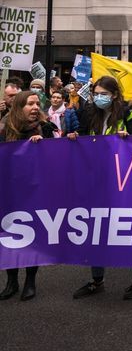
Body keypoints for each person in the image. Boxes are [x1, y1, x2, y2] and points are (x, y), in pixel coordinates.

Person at [72, 76, 132, 300]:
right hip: (97, 183)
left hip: (125, 184)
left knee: (129, 231)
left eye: (103, 94)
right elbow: (86, 144)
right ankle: (97, 280)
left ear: (114, 95)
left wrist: (128, 141)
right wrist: (74, 139)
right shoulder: (91, 116)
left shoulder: (131, 115)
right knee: (97, 229)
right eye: (96, 94)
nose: (98, 98)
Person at [0, 90, 56, 300]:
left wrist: (43, 146)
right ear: (19, 107)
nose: (35, 108)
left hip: (36, 192)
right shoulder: (5, 129)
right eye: (30, 104)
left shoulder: (47, 128)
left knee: (33, 236)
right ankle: (11, 281)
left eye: (37, 104)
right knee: (9, 236)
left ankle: (30, 281)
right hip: (9, 191)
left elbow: (57, 158)